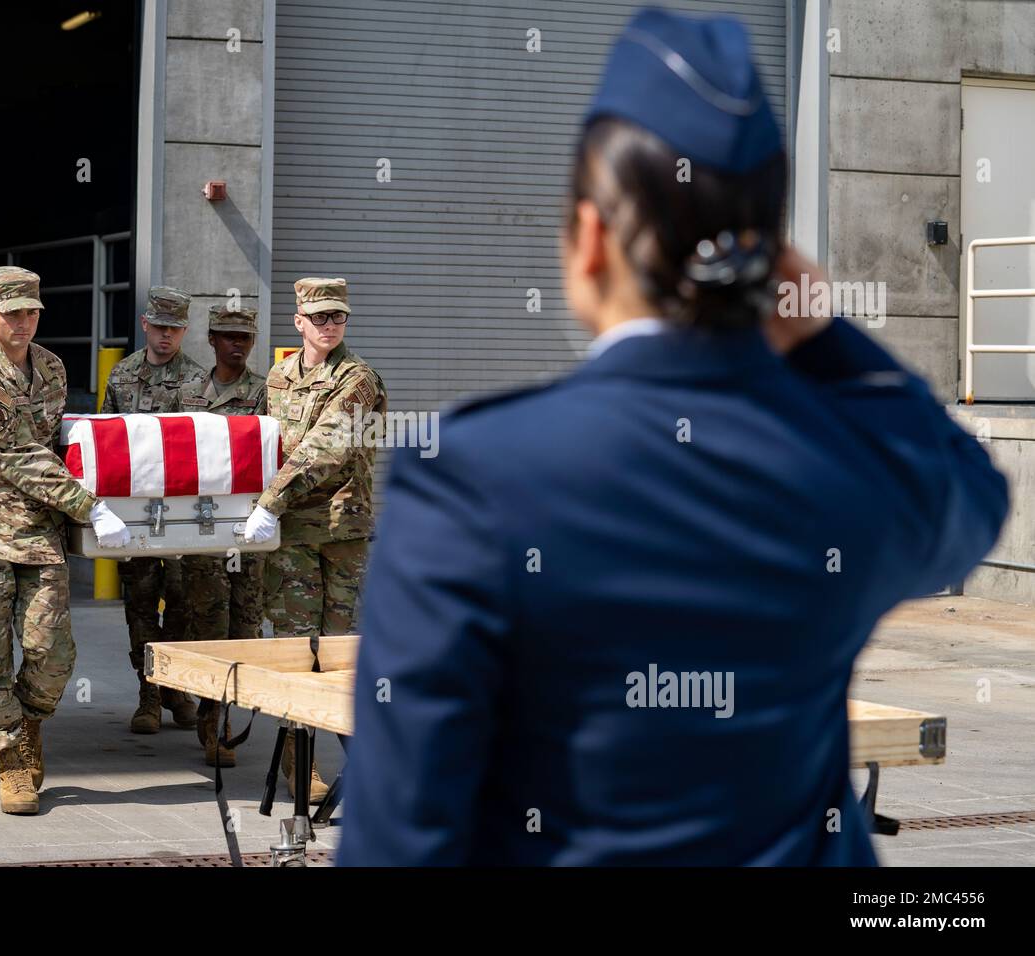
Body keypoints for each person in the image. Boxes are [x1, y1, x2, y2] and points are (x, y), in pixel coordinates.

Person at [338, 7, 1009, 865]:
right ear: (773, 261)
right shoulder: (847, 468)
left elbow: (401, 837)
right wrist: (822, 326)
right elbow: (971, 492)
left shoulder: (472, 476)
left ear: (589, 240)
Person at [0, 266, 130, 815]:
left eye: (31, 312)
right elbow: (22, 457)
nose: (22, 323)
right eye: (11, 313)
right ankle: (10, 760)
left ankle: (26, 724)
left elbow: (60, 440)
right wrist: (92, 507)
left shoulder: (50, 367)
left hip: (38, 536)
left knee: (53, 655)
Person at [243, 277, 386, 800]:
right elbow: (263, 442)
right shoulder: (279, 376)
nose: (330, 326)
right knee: (295, 650)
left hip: (339, 533)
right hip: (290, 535)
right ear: (298, 321)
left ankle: (366, 763)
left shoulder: (357, 378)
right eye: (320, 317)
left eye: (338, 317)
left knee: (341, 653)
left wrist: (268, 502)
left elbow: (329, 448)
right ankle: (299, 764)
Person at [100, 286, 207, 734]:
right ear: (145, 324)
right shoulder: (122, 376)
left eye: (175, 329)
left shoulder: (200, 380)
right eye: (159, 327)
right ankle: (148, 694)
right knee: (141, 604)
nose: (166, 336)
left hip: (182, 510)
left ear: (184, 330)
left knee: (182, 601)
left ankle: (176, 688)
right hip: (137, 512)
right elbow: (105, 439)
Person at [179, 304, 268, 767]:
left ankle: (229, 710)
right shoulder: (188, 391)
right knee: (209, 627)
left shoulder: (266, 392)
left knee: (246, 628)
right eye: (228, 336)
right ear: (211, 339)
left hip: (250, 528)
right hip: (203, 528)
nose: (237, 344)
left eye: (245, 337)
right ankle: (212, 722)